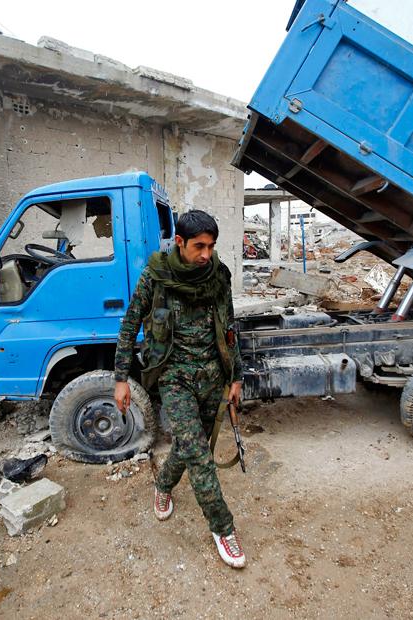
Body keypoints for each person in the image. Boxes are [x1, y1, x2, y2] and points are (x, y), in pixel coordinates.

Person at [113, 209, 246, 569]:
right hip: (174, 377)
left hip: (213, 376)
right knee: (199, 454)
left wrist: (236, 377)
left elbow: (229, 327)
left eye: (211, 246)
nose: (206, 254)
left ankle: (163, 485)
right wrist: (121, 378)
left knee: (189, 447)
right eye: (199, 246)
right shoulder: (156, 276)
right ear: (180, 242)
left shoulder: (218, 276)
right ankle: (224, 528)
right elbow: (130, 324)